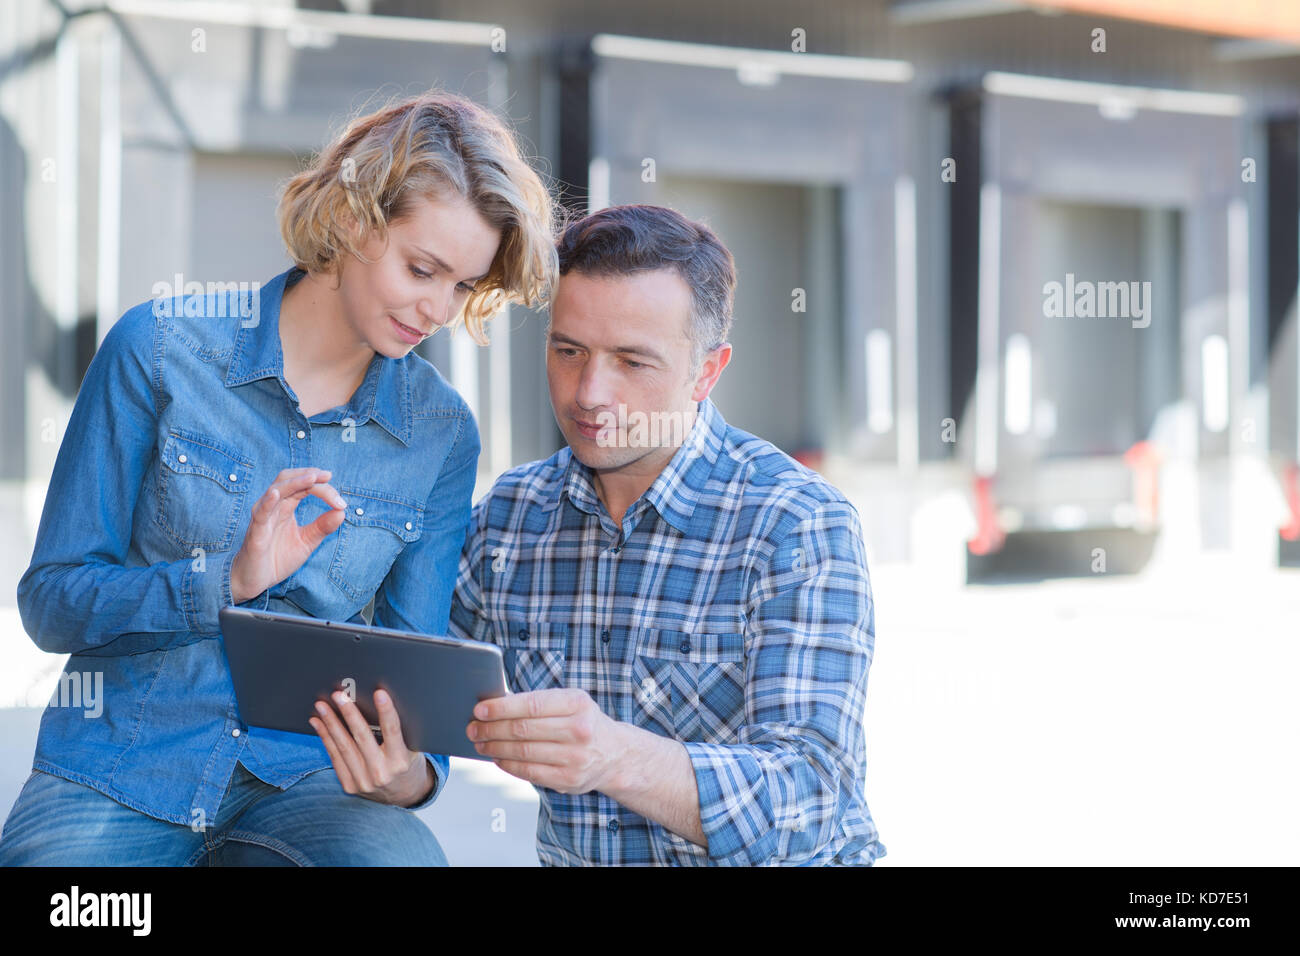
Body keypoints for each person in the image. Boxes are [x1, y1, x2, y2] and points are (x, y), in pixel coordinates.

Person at [0, 91, 557, 866]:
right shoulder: (158, 351)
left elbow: (413, 656)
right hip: (122, 765)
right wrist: (222, 582)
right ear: (353, 217)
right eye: (421, 268)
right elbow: (51, 602)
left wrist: (411, 777)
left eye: (462, 286)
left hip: (310, 784)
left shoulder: (441, 433)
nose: (437, 308)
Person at [450, 204, 886, 865]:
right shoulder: (511, 516)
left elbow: (810, 802)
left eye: (632, 361)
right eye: (569, 351)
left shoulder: (795, 523)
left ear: (707, 372)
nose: (591, 393)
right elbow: (418, 687)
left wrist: (614, 755)